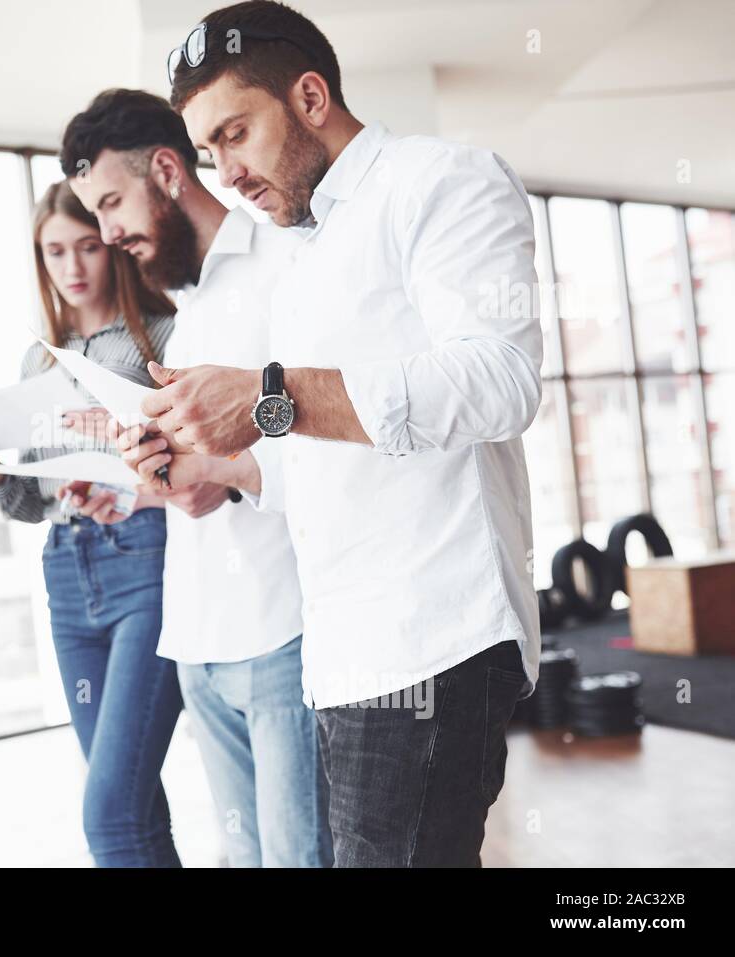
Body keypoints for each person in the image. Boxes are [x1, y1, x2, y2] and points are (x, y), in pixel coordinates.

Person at [133, 0, 542, 866]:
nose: (227, 173)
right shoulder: (300, 253)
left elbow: (501, 381)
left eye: (236, 134)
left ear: (311, 96)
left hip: (433, 636)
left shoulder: (443, 180)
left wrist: (272, 396)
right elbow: (313, 465)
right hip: (346, 653)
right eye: (209, 151)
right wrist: (209, 464)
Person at [60, 88, 331, 867]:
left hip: (284, 630)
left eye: (112, 202)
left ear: (169, 170)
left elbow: (333, 434)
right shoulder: (183, 303)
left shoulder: (289, 264)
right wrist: (137, 474)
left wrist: (220, 471)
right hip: (198, 632)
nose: (108, 233)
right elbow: (200, 467)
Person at [0, 181, 191, 867]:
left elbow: (204, 461)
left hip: (148, 560)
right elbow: (32, 504)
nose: (73, 267)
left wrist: (120, 443)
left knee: (108, 811)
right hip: (66, 569)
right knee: (136, 812)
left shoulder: (167, 334)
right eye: (55, 251)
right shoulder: (40, 358)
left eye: (87, 246)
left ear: (113, 246)